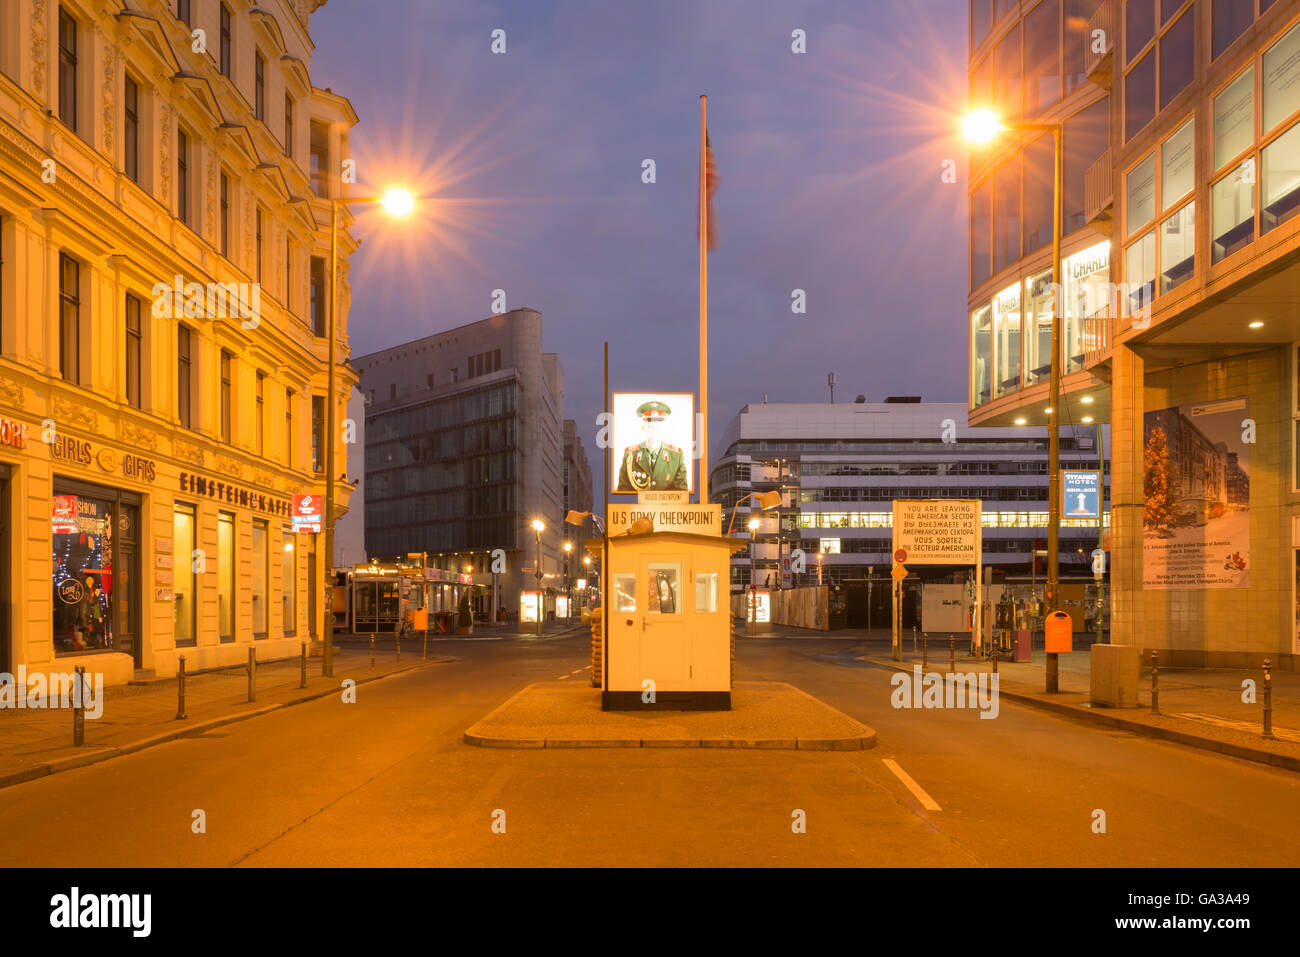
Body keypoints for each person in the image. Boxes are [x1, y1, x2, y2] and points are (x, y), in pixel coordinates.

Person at [616, 400, 688, 492]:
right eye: (650, 426)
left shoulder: (676, 456)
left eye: (658, 427)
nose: (654, 431)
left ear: (664, 429)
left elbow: (681, 494)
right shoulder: (630, 455)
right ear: (643, 428)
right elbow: (623, 492)